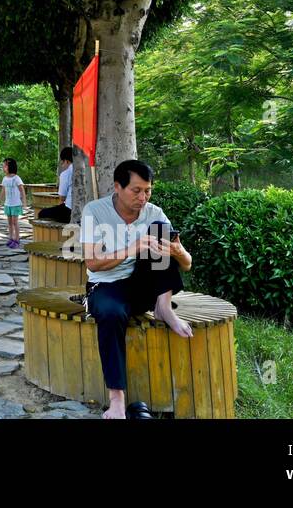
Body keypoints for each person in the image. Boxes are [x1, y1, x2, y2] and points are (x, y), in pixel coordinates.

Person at [80, 159, 194, 419]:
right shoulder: (94, 211)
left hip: (144, 288)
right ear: (118, 187)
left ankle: (164, 308)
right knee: (110, 313)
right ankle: (117, 399)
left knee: (160, 233)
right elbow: (93, 263)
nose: (143, 197)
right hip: (105, 284)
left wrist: (178, 252)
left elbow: (187, 265)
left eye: (148, 190)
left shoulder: (154, 213)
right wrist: (134, 246)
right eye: (136, 190)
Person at [38, 147, 74, 223]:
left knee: (42, 213)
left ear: (66, 161)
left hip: (70, 210)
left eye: (62, 162)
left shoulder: (65, 174)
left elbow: (62, 197)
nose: (62, 165)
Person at [0, 157, 24, 248]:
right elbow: (3, 191)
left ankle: (17, 239)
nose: (3, 168)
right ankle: (11, 238)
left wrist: (24, 202)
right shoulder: (4, 179)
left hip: (16, 204)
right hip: (8, 204)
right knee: (9, 222)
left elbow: (22, 190)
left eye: (5, 166)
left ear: (10, 167)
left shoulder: (17, 178)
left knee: (15, 222)